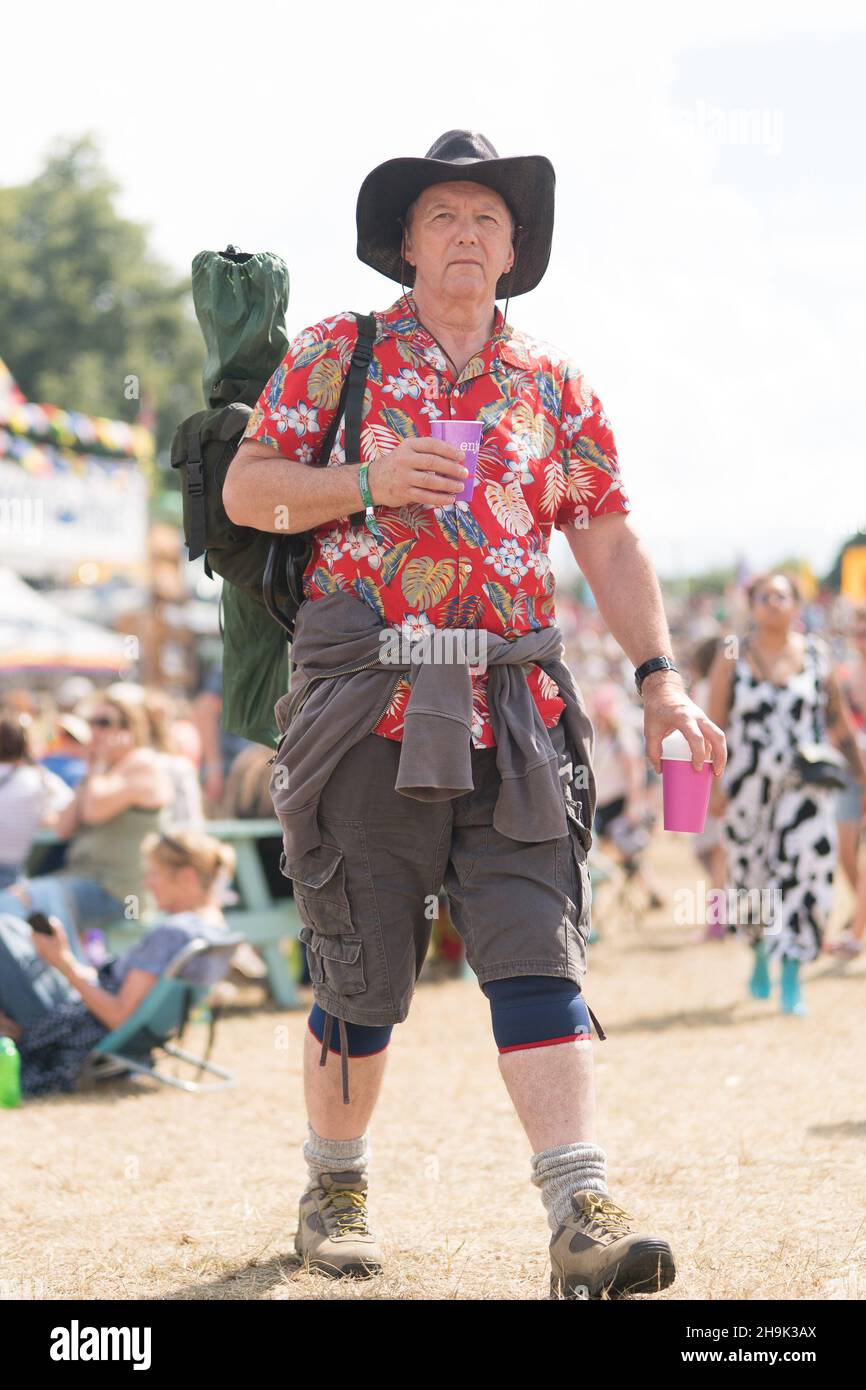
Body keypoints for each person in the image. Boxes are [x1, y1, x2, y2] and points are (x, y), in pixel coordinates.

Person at [223, 129, 726, 1299]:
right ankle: (334, 1187)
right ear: (405, 243)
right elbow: (249, 490)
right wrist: (363, 482)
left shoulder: (554, 383)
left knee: (536, 948)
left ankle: (578, 1209)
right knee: (356, 967)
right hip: (368, 700)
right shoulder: (336, 353)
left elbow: (605, 538)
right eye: (442, 215)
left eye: (486, 218)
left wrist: (658, 678)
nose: (464, 234)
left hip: (513, 706)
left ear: (512, 250)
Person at [706, 572, 866, 1013]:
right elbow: (714, 721)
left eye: (782, 595)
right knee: (752, 876)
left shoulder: (816, 653)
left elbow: (838, 720)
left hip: (807, 789)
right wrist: (713, 786)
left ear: (797, 604)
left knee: (807, 874)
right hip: (747, 788)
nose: (773, 602)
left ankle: (793, 972)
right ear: (752, 604)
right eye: (764, 595)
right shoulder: (733, 651)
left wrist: (860, 769)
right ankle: (760, 953)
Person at [0, 827, 236, 1097]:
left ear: (187, 877)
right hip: (93, 1019)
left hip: (74, 1029)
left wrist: (64, 963)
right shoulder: (215, 931)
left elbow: (118, 1016)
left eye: (154, 874)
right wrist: (64, 960)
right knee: (12, 929)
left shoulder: (174, 933)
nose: (147, 884)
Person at [0, 689, 172, 954]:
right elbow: (62, 828)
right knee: (17, 904)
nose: (95, 731)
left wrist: (97, 764)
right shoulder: (102, 771)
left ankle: (68, 975)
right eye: (93, 722)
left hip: (124, 894)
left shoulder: (142, 764)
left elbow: (93, 812)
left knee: (14, 905)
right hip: (84, 882)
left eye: (104, 723)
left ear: (130, 729)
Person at [827, 603, 866, 958]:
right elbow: (835, 722)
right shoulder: (842, 674)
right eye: (858, 632)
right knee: (845, 851)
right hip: (850, 771)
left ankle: (855, 935)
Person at [0, 712, 75, 889]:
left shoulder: (36, 779)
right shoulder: (39, 780)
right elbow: (68, 808)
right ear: (26, 745)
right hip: (10, 876)